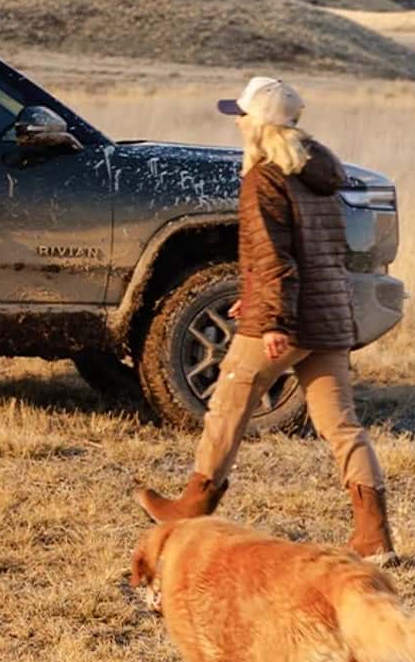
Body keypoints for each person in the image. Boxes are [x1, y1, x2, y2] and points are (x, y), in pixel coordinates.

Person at [133, 76, 394, 563]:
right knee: (341, 426)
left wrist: (271, 320)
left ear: (258, 124)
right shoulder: (318, 176)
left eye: (241, 114)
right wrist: (251, 298)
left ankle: (193, 506)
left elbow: (276, 257)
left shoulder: (265, 178)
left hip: (288, 319)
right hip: (327, 315)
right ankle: (374, 535)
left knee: (228, 405)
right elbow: (313, 254)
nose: (236, 122)